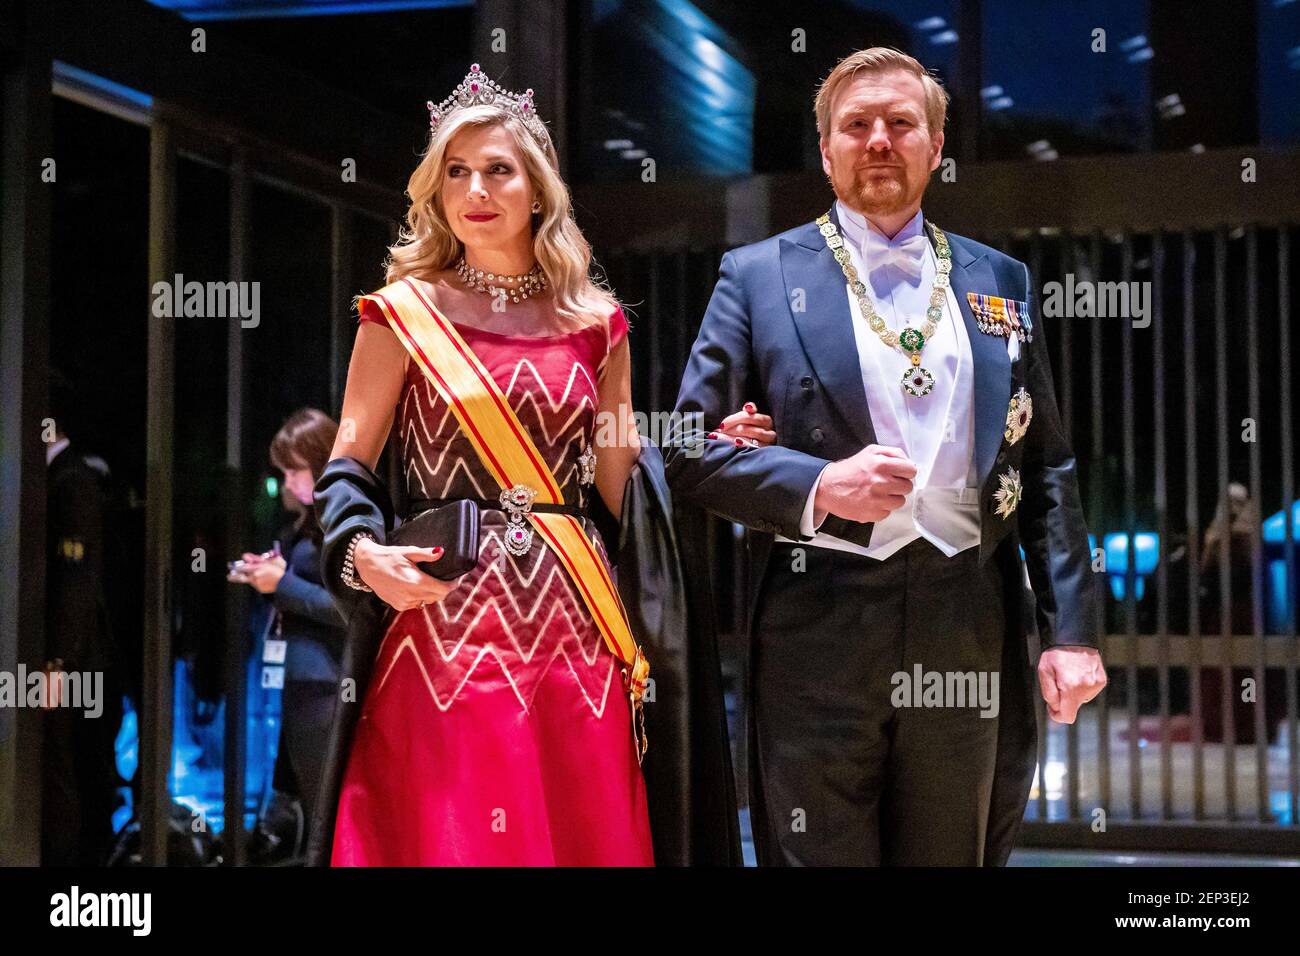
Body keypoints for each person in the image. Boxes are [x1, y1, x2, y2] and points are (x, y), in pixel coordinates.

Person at [664, 47, 1108, 866]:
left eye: (901, 124)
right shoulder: (756, 276)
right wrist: (819, 482)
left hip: (966, 622)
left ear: (936, 147)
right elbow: (686, 450)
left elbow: (1045, 464)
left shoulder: (1000, 280)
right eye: (855, 125)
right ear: (826, 148)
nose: (878, 140)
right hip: (817, 625)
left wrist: (1071, 630)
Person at [312, 65, 765, 865]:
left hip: (574, 634)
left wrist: (708, 445)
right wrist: (358, 553)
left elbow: (626, 480)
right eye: (455, 171)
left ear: (538, 190)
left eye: (497, 170)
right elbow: (349, 459)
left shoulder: (596, 324)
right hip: (440, 625)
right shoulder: (399, 313)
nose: (474, 189)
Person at [228, 408, 346, 852]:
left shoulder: (344, 518)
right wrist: (275, 575)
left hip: (328, 683)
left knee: (326, 814)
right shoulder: (310, 520)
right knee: (314, 809)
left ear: (321, 460)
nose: (290, 482)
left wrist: (282, 583)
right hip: (306, 680)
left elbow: (352, 610)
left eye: (295, 470)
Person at [42, 372, 124, 866]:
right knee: (64, 764)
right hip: (69, 653)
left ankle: (67, 865)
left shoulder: (73, 480)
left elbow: (77, 579)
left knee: (63, 767)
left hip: (71, 656)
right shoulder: (61, 478)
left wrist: (56, 661)